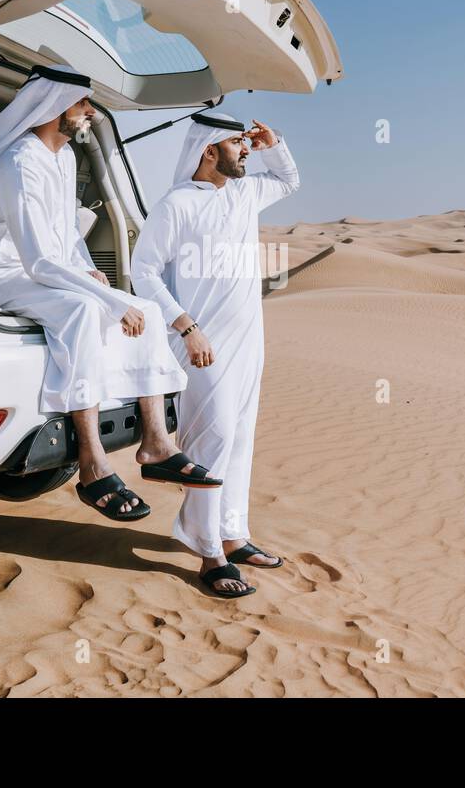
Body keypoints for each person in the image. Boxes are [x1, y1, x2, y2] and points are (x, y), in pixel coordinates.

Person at [0, 64, 218, 521]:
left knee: (147, 310)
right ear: (52, 106)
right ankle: (91, 462)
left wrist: (89, 270)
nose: (92, 114)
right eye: (83, 104)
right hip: (3, 272)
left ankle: (157, 445)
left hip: (47, 269)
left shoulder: (62, 157)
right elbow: (38, 259)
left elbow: (65, 236)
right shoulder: (18, 163)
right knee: (85, 309)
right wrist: (108, 299)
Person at [129, 111, 298, 597]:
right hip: (200, 345)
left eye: (247, 144)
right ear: (209, 151)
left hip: (250, 342)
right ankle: (209, 552)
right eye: (237, 144)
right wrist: (185, 327)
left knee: (240, 437)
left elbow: (289, 178)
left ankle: (232, 533)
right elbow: (145, 272)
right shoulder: (176, 204)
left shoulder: (245, 194)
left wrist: (273, 142)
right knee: (214, 439)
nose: (245, 150)